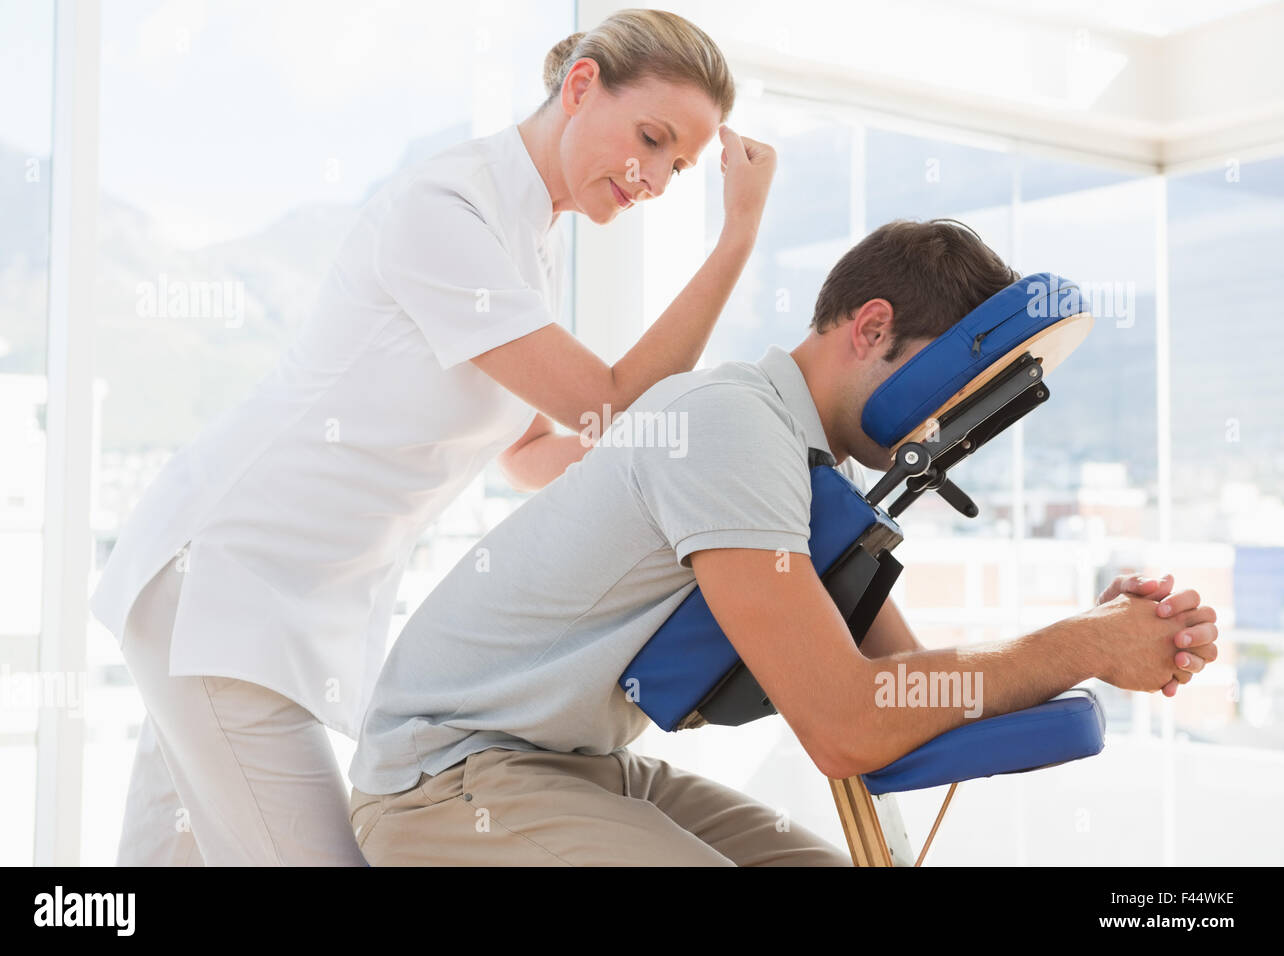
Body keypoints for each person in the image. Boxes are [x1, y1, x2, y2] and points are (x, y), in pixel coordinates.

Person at [89, 8, 774, 865]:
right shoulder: (448, 207)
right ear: (581, 84)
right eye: (652, 138)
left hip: (264, 606)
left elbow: (529, 453)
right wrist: (736, 237)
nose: (658, 179)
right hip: (223, 589)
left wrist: (661, 473)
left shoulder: (530, 248)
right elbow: (606, 402)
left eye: (680, 165)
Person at [347, 218, 1220, 866]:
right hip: (450, 779)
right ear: (871, 328)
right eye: (949, 390)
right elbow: (847, 724)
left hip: (579, 768)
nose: (948, 424)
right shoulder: (730, 425)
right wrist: (1085, 645)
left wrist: (1104, 637)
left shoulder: (809, 469)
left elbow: (911, 691)